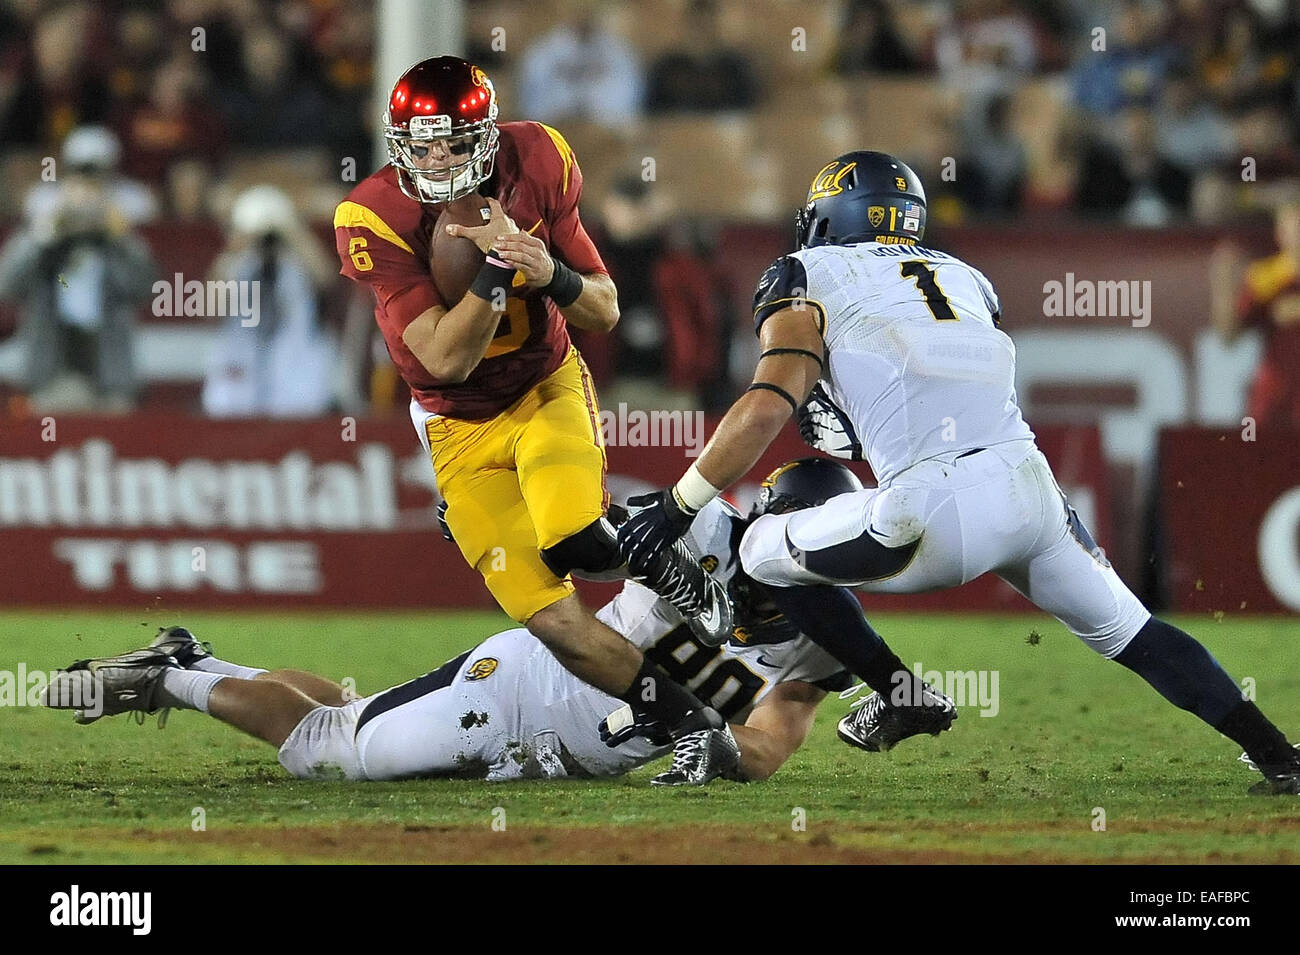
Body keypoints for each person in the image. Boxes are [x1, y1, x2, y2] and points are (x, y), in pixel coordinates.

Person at [617, 150, 1300, 794]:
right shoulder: (966, 277)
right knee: (1135, 632)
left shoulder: (806, 271)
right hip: (1028, 488)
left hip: (931, 508)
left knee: (761, 548)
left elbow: (768, 403)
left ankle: (899, 693)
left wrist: (678, 505)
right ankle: (1279, 754)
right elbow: (935, 381)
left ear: (829, 218)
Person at [332, 56, 733, 785]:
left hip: (543, 385)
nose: (438, 159)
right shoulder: (371, 217)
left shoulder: (539, 159)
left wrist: (548, 271)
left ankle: (663, 557)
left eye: (455, 142)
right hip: (456, 423)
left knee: (573, 534)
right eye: (421, 144)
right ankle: (693, 723)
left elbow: (604, 309)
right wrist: (493, 271)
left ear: (486, 136)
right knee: (550, 619)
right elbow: (441, 363)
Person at [41, 464, 871, 786]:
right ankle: (174, 673)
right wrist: (497, 520)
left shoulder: (826, 637)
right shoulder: (701, 532)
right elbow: (577, 535)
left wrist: (718, 742)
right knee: (333, 751)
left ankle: (202, 660)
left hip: (572, 759)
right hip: (518, 690)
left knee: (357, 710)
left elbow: (768, 746)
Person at [0, 127, 157, 412]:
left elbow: (145, 286)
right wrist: (46, 234)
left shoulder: (120, 220)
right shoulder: (45, 215)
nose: (87, 186)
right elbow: (8, 283)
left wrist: (115, 234)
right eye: (80, 174)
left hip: (110, 374)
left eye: (96, 176)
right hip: (53, 373)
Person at [202, 185, 339, 417]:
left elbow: (327, 278)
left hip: (293, 373)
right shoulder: (236, 263)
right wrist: (239, 242)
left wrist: (289, 228)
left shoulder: (297, 264)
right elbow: (209, 309)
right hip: (242, 373)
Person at [1211, 201, 1300, 432]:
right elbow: (1229, 335)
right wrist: (1223, 286)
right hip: (1278, 399)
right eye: (1294, 227)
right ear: (1280, 234)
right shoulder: (1266, 278)